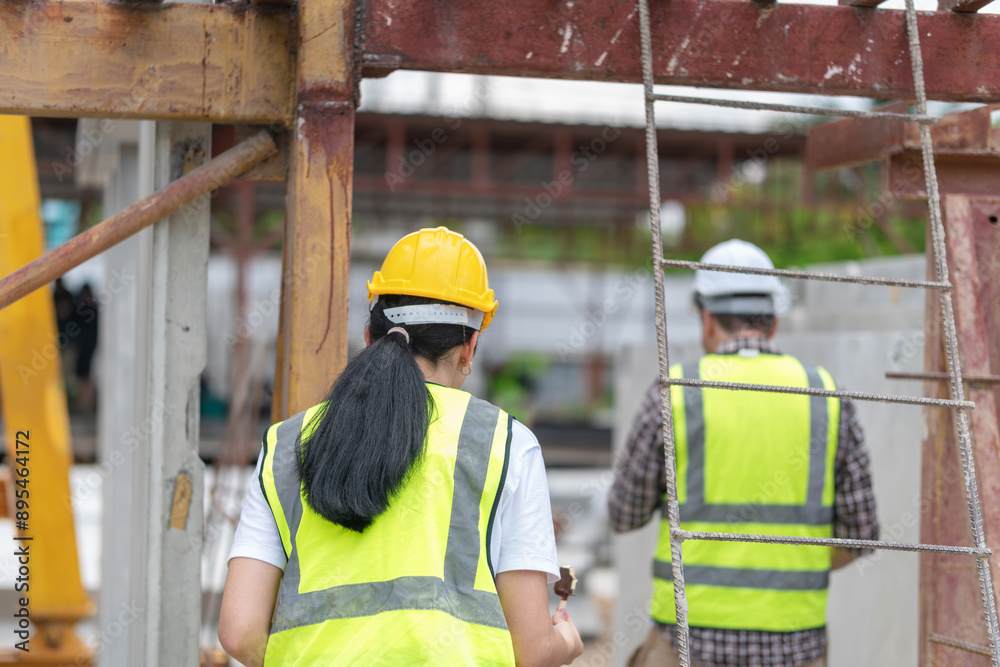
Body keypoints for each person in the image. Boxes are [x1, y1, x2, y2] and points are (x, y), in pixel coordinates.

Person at [219, 226, 584, 666]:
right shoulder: (505, 444)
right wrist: (566, 639)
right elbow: (532, 651)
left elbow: (239, 633)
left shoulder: (284, 444)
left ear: (371, 336)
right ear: (470, 347)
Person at [609, 239, 879, 667]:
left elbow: (624, 513)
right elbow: (861, 534)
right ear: (772, 322)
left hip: (687, 642)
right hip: (796, 645)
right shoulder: (827, 396)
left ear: (707, 318)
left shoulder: (676, 393)